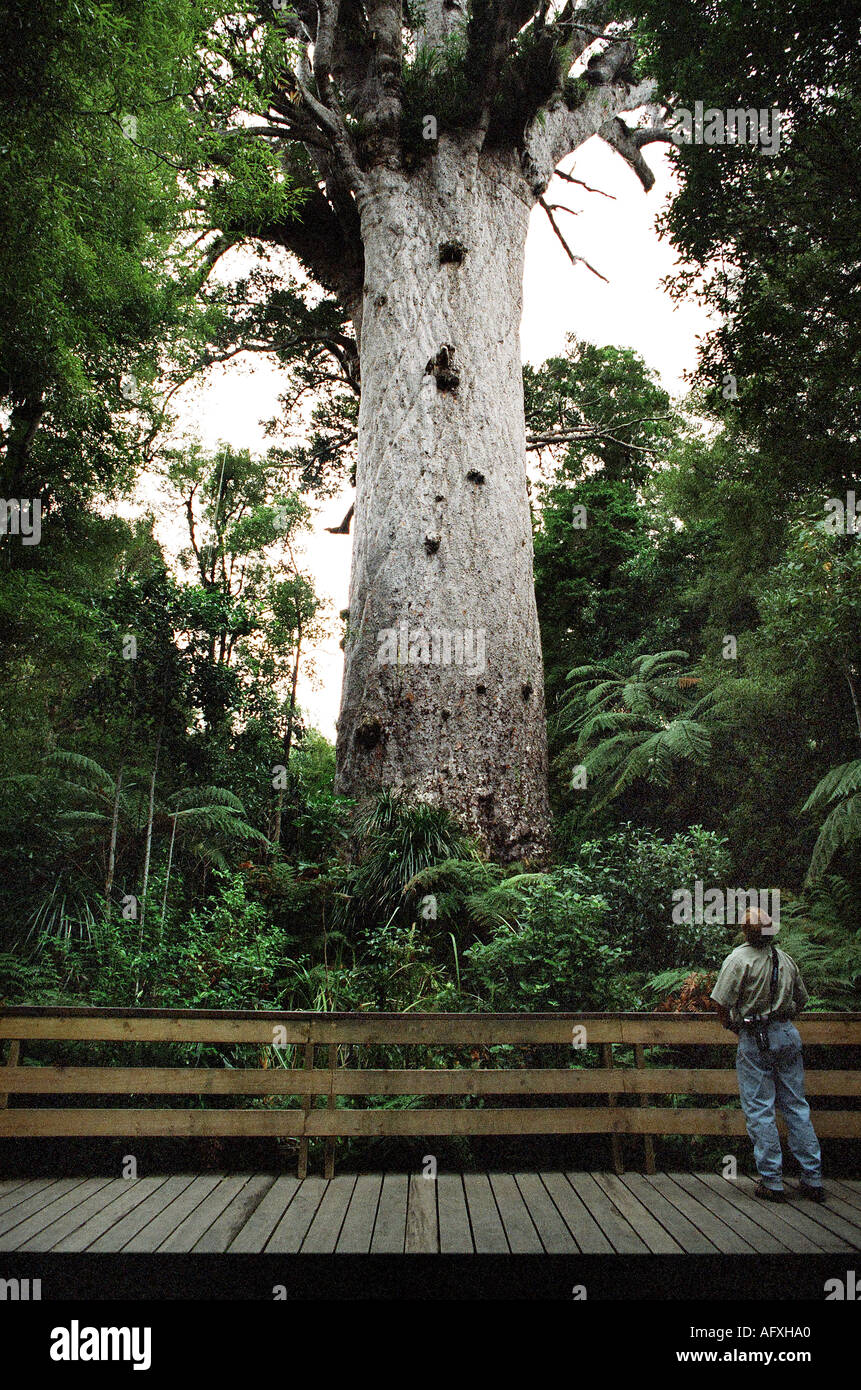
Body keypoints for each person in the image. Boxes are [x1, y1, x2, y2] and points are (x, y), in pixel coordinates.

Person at [709, 906, 825, 1203]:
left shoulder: (738, 959)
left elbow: (721, 1004)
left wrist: (734, 1026)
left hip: (754, 1037)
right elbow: (801, 999)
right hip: (786, 1034)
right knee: (796, 1106)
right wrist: (781, 1022)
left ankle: (772, 1181)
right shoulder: (784, 960)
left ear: (745, 931)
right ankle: (812, 1178)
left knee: (760, 1108)